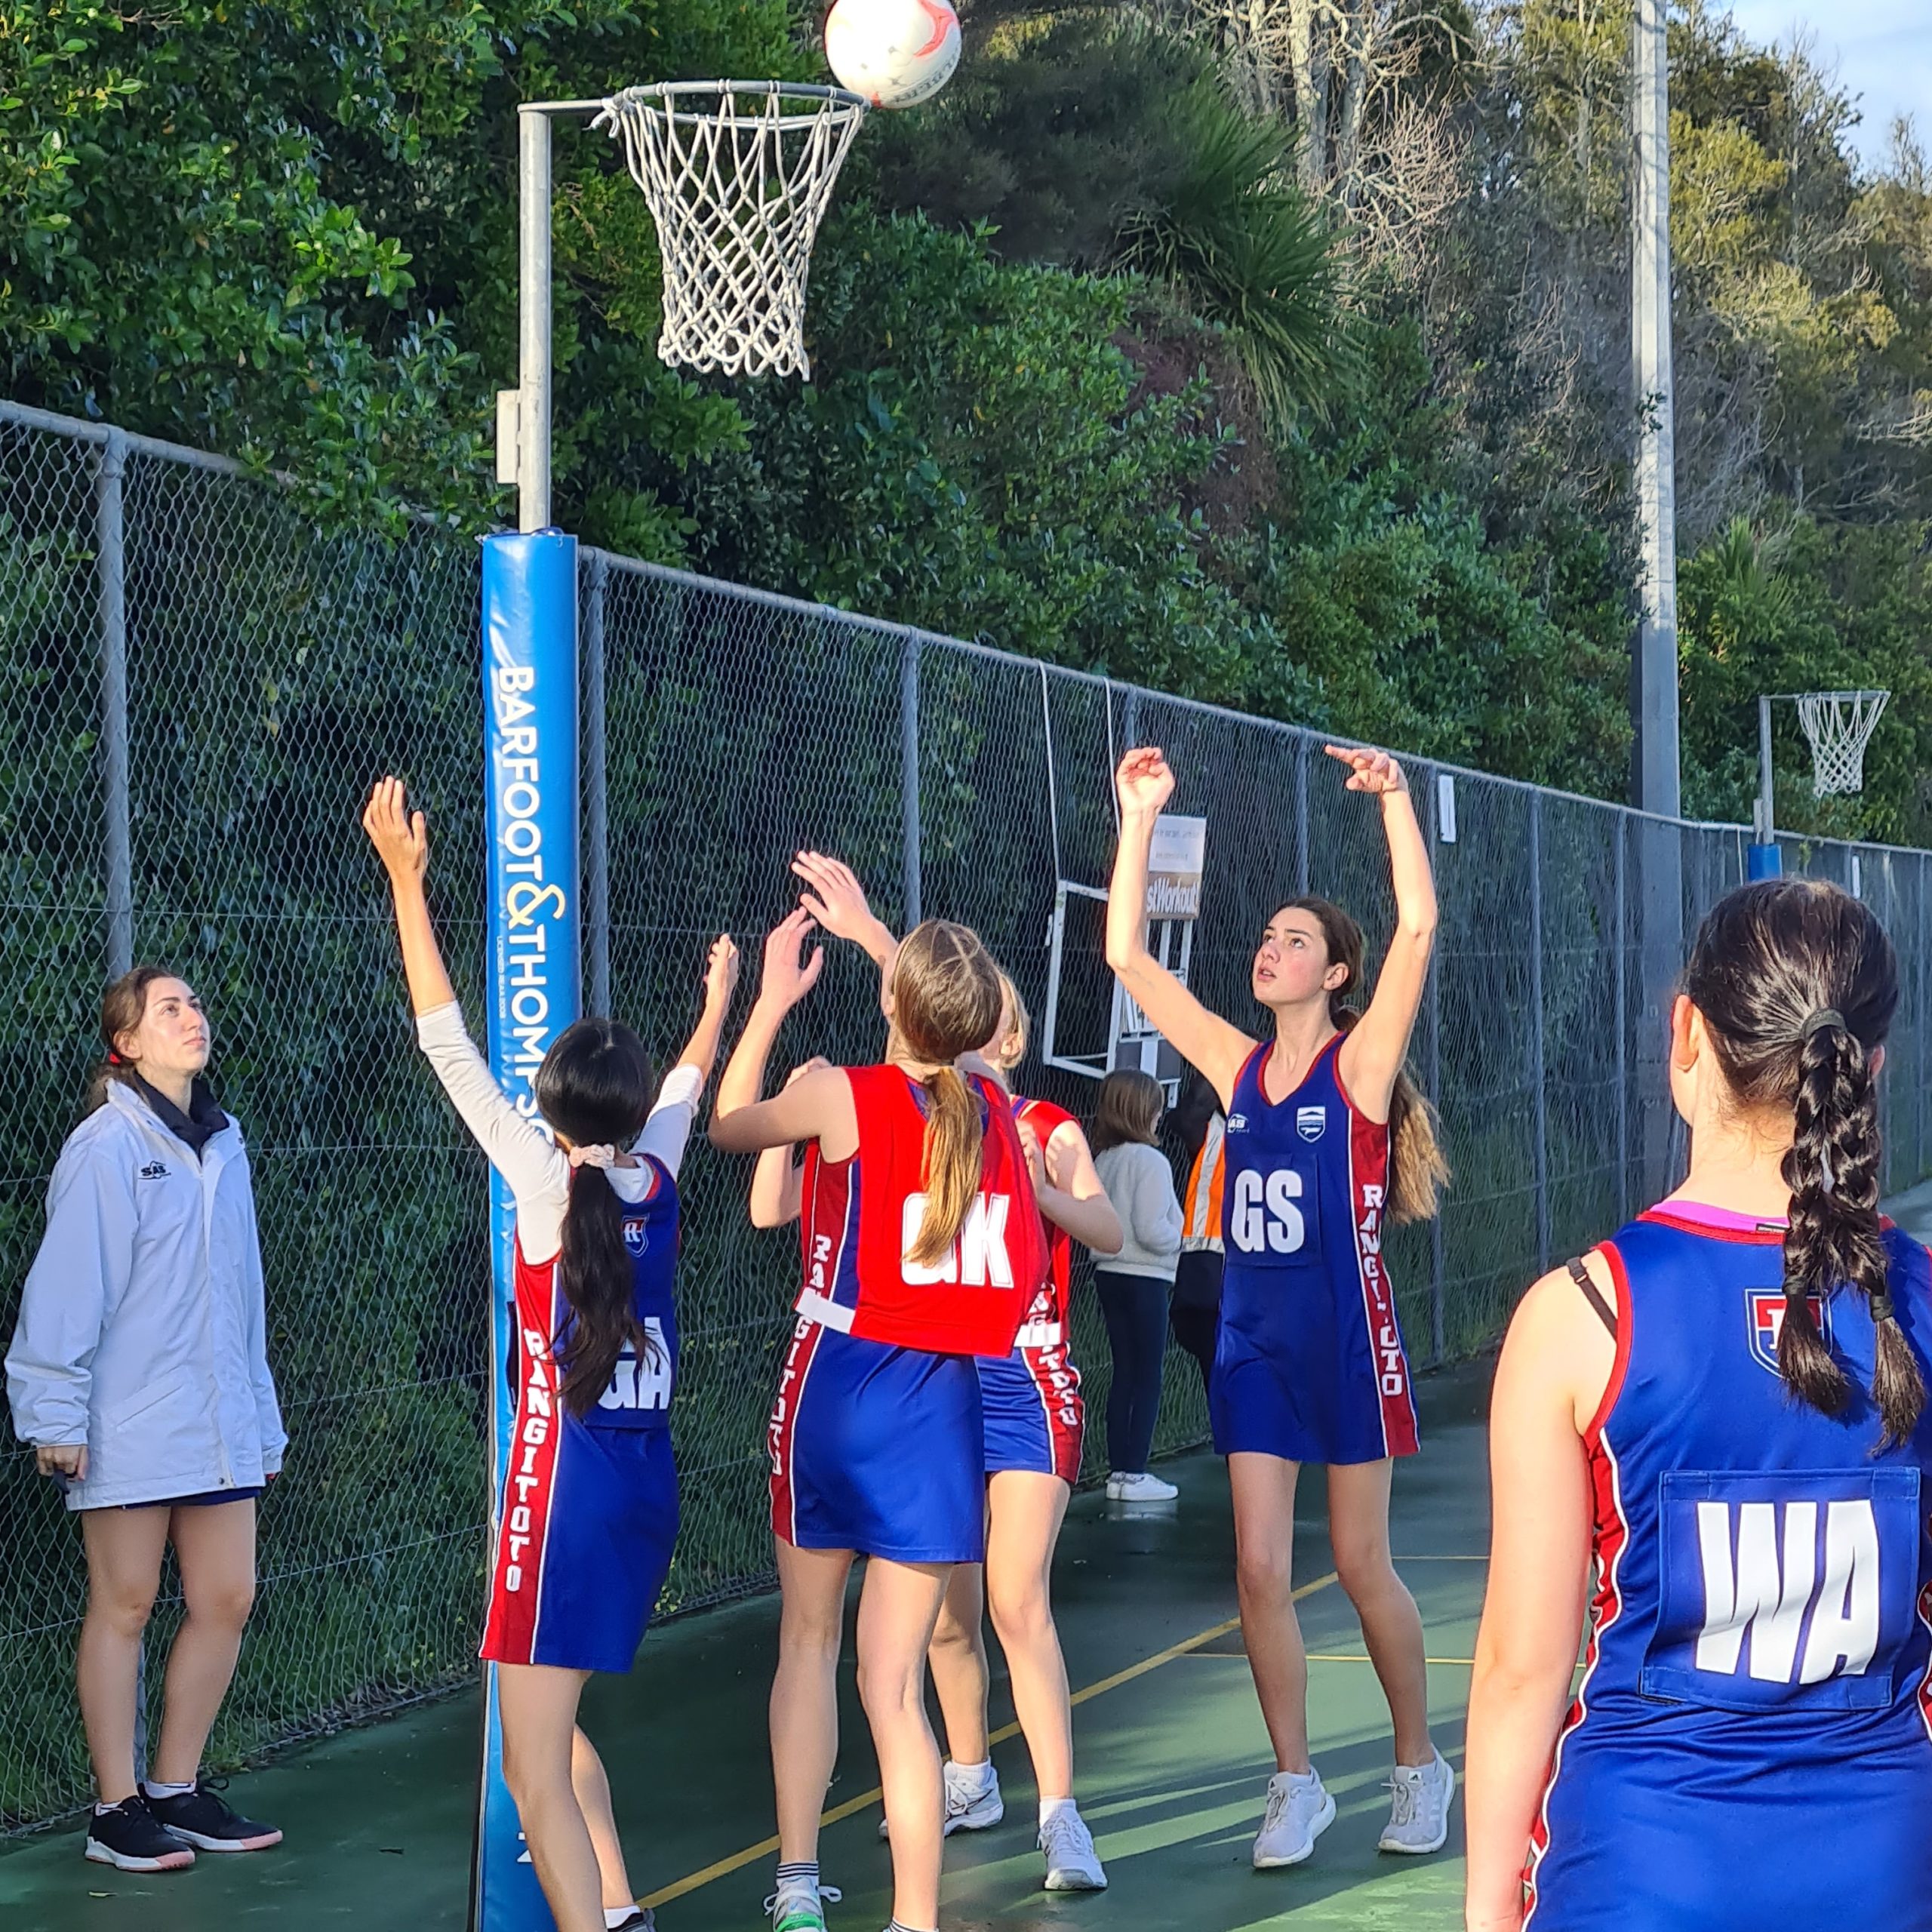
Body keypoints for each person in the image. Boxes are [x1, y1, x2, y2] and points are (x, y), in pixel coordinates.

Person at [1465, 878, 1932, 1932]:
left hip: (1642, 1870)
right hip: (1886, 1863)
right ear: (1873, 1068)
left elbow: (1521, 1669)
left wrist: (1491, 1909)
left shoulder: (1584, 1315)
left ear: (1686, 1035)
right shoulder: (1919, 1302)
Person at [361, 777, 736, 1932]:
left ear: (552, 1101)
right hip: (640, 1493)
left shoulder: (540, 1184)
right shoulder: (657, 1179)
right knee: (553, 1728)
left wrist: (407, 881)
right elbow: (686, 1082)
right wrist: (726, 996)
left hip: (557, 1497)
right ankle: (618, 1904)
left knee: (527, 1769)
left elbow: (442, 1041)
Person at [1103, 742, 1453, 1869]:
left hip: (1347, 1339)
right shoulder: (1233, 1065)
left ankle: (1417, 1764)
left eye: (1295, 940)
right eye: (1267, 936)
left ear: (1333, 974)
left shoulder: (1359, 1071)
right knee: (1258, 1568)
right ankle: (1295, 1780)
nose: (1271, 948)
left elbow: (1417, 929)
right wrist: (1139, 816)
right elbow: (1124, 953)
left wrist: (1395, 800)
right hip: (1254, 1340)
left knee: (1358, 1564)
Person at [768, 854, 1124, 1891]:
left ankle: (1062, 1814)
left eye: (1008, 1024)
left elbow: (1102, 1223)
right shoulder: (905, 1113)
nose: (999, 1035)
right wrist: (881, 937)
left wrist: (1028, 1201)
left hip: (1024, 1369)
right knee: (947, 1620)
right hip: (937, 1376)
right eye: (989, 1020)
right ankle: (967, 1772)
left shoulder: (1025, 1126)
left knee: (1015, 1602)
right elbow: (916, 1028)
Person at [711, 908, 1048, 1932]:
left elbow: (728, 1126)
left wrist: (768, 999)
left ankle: (799, 1883)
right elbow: (954, 1035)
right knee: (892, 1686)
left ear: (893, 1002)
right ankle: (915, 1917)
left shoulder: (840, 1096)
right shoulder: (992, 1108)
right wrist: (879, 935)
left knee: (810, 1642)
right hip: (942, 1407)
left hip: (840, 1386)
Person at [8, 967, 288, 1875]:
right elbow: (65, 1287)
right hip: (126, 1424)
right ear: (127, 1044)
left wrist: (261, 1419)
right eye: (168, 1008)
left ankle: (175, 1787)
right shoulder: (106, 1146)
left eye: (196, 1002)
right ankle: (114, 1807)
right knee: (124, 1603)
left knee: (227, 1597)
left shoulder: (225, 1145)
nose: (191, 1016)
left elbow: (243, 1296)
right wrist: (54, 1407)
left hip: (216, 1427)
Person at [1089, 1069, 1185, 1502]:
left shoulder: (1102, 1160)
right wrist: (1182, 1239)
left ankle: (1118, 1472)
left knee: (1124, 1372)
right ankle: (1136, 1471)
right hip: (1146, 1276)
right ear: (1143, 1111)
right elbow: (1151, 1229)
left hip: (1107, 1273)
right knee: (1147, 1374)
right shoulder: (1151, 1161)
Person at [1168, 1069, 1227, 1401]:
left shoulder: (1274, 1125)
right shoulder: (1210, 1131)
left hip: (1240, 1277)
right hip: (1207, 1273)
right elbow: (1184, 1117)